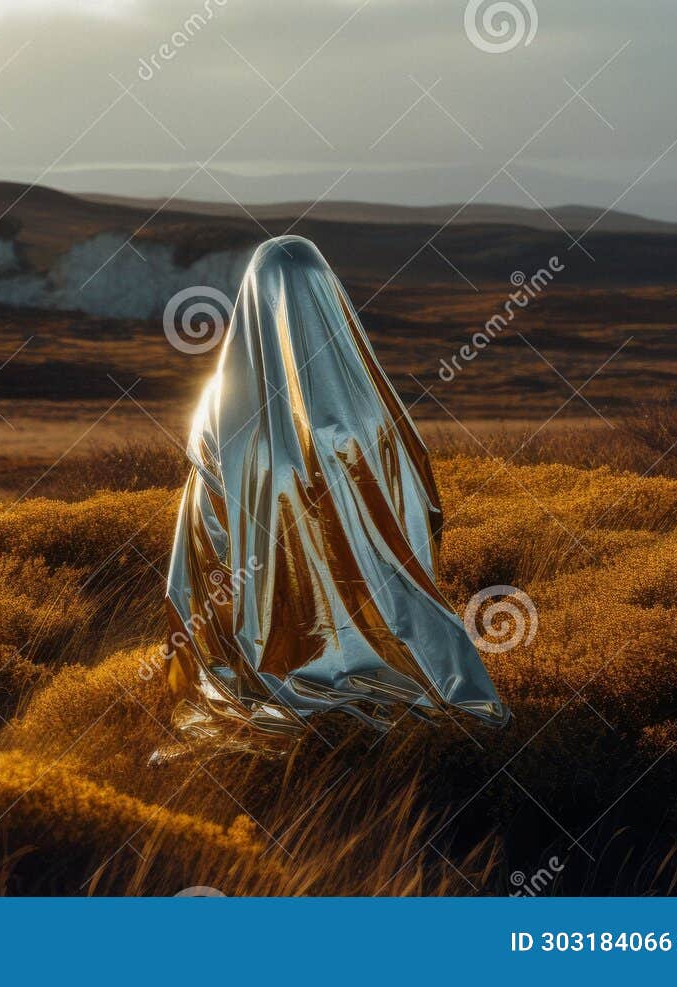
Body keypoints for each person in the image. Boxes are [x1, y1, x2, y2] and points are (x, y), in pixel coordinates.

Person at [161, 235, 509, 751]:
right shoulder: (369, 402)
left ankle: (293, 680)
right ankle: (388, 665)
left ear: (251, 298)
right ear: (331, 296)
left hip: (263, 640)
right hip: (388, 622)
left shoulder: (216, 410)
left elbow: (203, 539)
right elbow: (420, 506)